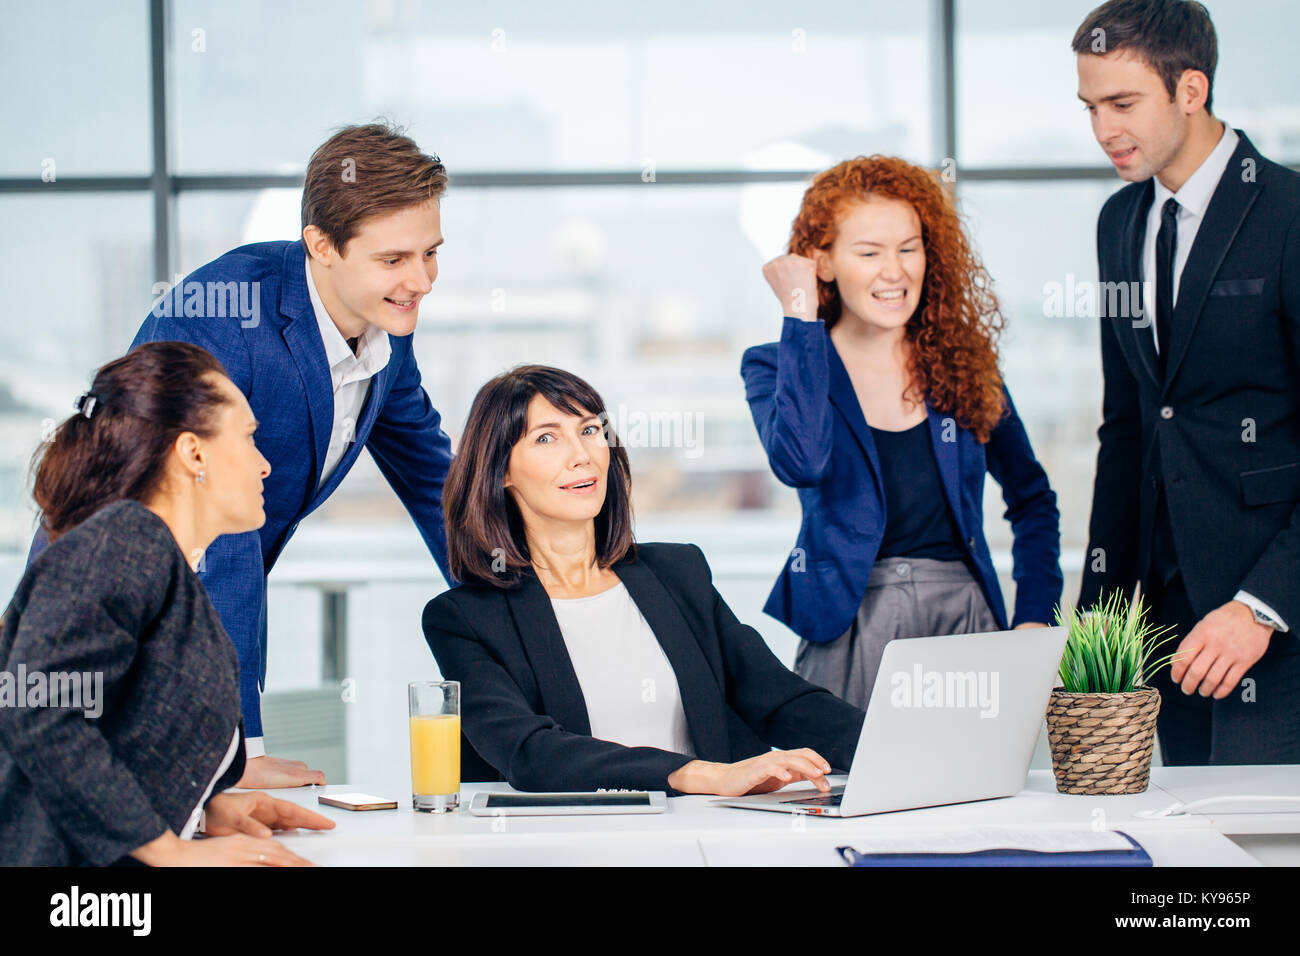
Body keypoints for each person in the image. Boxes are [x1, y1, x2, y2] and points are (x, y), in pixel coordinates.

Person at [28, 122, 457, 788]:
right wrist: (236, 754)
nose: (422, 280)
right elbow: (216, 535)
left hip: (190, 625)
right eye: (394, 259)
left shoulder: (387, 336)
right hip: (112, 620)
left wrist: (530, 617)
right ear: (321, 245)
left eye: (431, 253)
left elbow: (437, 483)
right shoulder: (226, 316)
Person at [421, 366, 866, 796]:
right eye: (546, 437)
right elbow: (529, 754)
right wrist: (699, 775)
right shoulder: (463, 618)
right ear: (501, 472)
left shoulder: (679, 573)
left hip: (708, 832)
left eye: (591, 430)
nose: (581, 454)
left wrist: (889, 746)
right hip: (572, 845)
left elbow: (781, 700)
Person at [740, 156, 1062, 711]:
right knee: (846, 792)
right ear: (822, 261)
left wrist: (1034, 617)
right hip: (849, 625)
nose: (895, 271)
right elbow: (803, 462)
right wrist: (801, 312)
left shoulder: (963, 364)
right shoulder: (778, 366)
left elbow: (1033, 500)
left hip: (965, 618)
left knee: (976, 791)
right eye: (868, 253)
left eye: (909, 248)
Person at [0, 342, 334, 865]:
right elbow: (37, 707)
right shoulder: (124, 539)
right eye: (249, 438)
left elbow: (118, 733)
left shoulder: (159, 563)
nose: (266, 465)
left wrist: (204, 808)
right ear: (193, 453)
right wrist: (170, 852)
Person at [1074, 0, 1300, 763]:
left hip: (1276, 621)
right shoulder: (1119, 223)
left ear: (1192, 90)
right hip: (1164, 628)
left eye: (1123, 103)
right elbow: (1128, 428)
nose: (1104, 129)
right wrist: (1098, 631)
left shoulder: (1291, 214)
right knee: (1187, 849)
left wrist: (1263, 607)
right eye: (1091, 107)